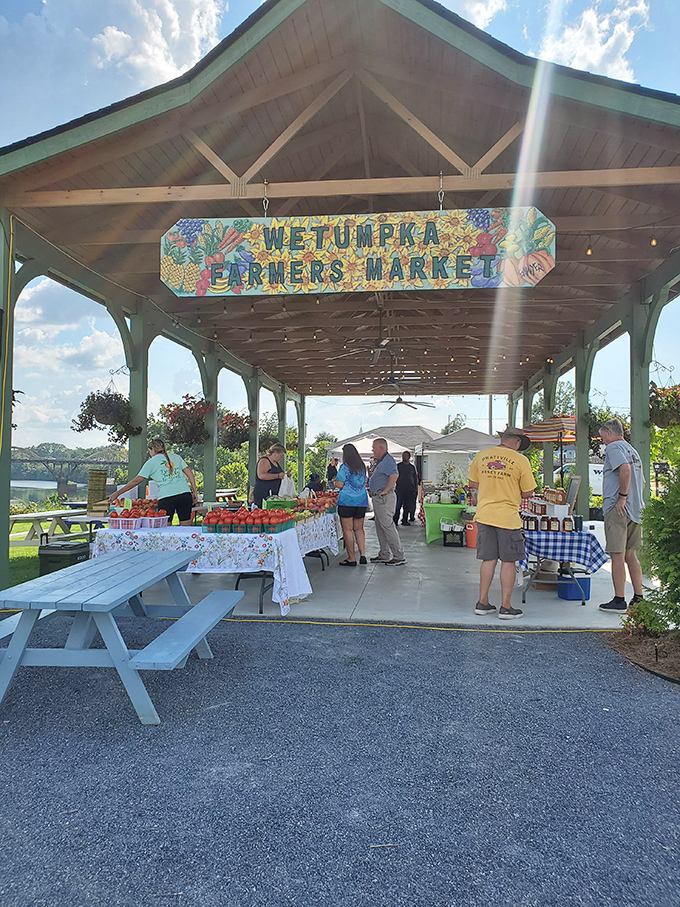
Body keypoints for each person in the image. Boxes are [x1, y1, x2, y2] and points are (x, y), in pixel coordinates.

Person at [468, 426, 536, 620]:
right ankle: (505, 607)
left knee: (488, 559)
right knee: (508, 561)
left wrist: (490, 485)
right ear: (516, 442)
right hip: (507, 517)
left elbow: (473, 483)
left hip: (485, 514)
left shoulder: (482, 456)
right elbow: (528, 492)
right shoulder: (521, 461)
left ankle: (482, 602)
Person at [598, 419, 645, 613]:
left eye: (603, 437)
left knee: (617, 554)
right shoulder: (632, 450)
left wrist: (622, 498)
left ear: (609, 432)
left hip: (618, 508)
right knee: (630, 554)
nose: (603, 442)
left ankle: (619, 599)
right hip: (636, 509)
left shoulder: (614, 448)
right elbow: (640, 482)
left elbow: (624, 469)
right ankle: (639, 596)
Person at [109, 438, 198, 526]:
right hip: (184, 495)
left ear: (152, 450)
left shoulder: (150, 463)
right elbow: (190, 474)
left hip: (166, 497)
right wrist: (194, 492)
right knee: (185, 527)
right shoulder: (176, 457)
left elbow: (136, 481)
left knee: (165, 529)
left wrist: (117, 493)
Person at [368, 438, 406, 566]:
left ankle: (398, 555)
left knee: (387, 526)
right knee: (381, 527)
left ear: (381, 448)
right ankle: (384, 554)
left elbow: (394, 475)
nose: (372, 450)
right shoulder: (382, 461)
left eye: (374, 447)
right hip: (379, 498)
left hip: (384, 498)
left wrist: (385, 490)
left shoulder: (388, 460)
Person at [334, 443, 369, 566]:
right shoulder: (362, 467)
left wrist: (334, 482)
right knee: (359, 529)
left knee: (347, 530)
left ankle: (351, 558)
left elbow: (339, 484)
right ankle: (363, 554)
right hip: (361, 501)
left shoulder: (345, 467)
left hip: (347, 501)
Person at [394, 451, 419, 526]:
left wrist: (415, 488)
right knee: (398, 505)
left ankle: (404, 520)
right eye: (403, 456)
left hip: (409, 489)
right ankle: (395, 520)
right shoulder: (398, 466)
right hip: (400, 489)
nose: (404, 457)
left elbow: (415, 478)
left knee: (407, 506)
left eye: (405, 456)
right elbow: (394, 476)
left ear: (409, 457)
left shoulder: (412, 467)